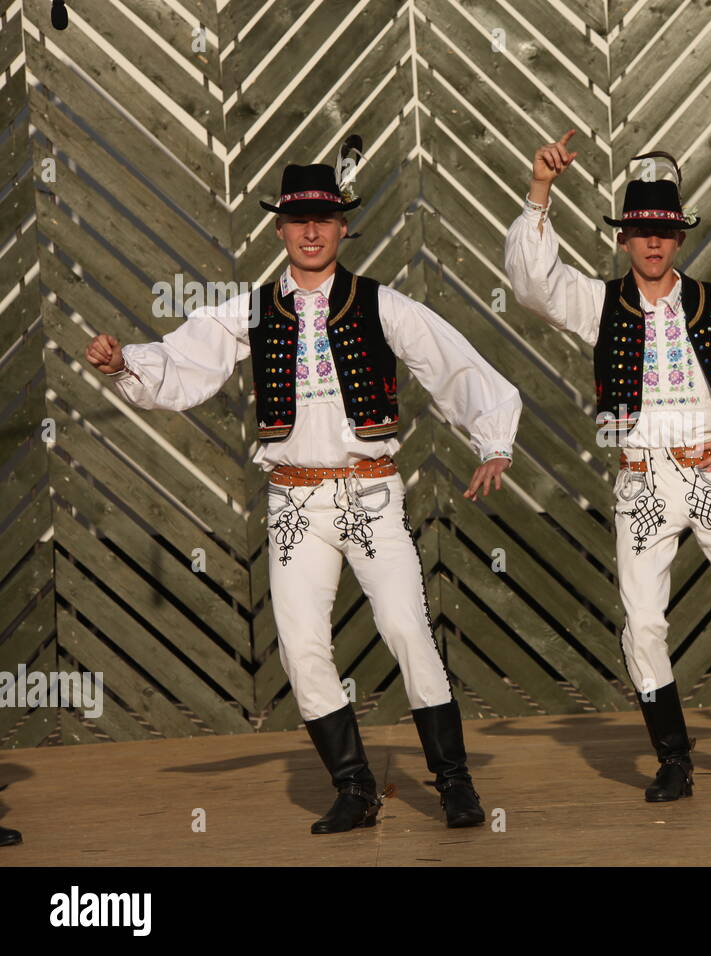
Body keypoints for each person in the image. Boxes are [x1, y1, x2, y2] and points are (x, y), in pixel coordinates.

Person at [86, 159, 522, 830]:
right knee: (299, 646)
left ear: (342, 228)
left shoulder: (383, 303)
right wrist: (126, 365)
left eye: (322, 220)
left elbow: (453, 364)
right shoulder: (252, 310)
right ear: (282, 229)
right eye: (297, 221)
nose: (310, 232)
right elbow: (186, 360)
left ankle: (454, 781)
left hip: (370, 492)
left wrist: (493, 439)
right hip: (294, 500)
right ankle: (355, 788)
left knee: (407, 628)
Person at [504, 132, 711, 800]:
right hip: (642, 479)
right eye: (640, 231)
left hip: (710, 473)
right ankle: (674, 761)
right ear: (625, 238)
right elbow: (533, 283)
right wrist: (540, 190)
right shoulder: (600, 305)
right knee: (645, 621)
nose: (653, 243)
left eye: (663, 232)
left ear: (678, 238)